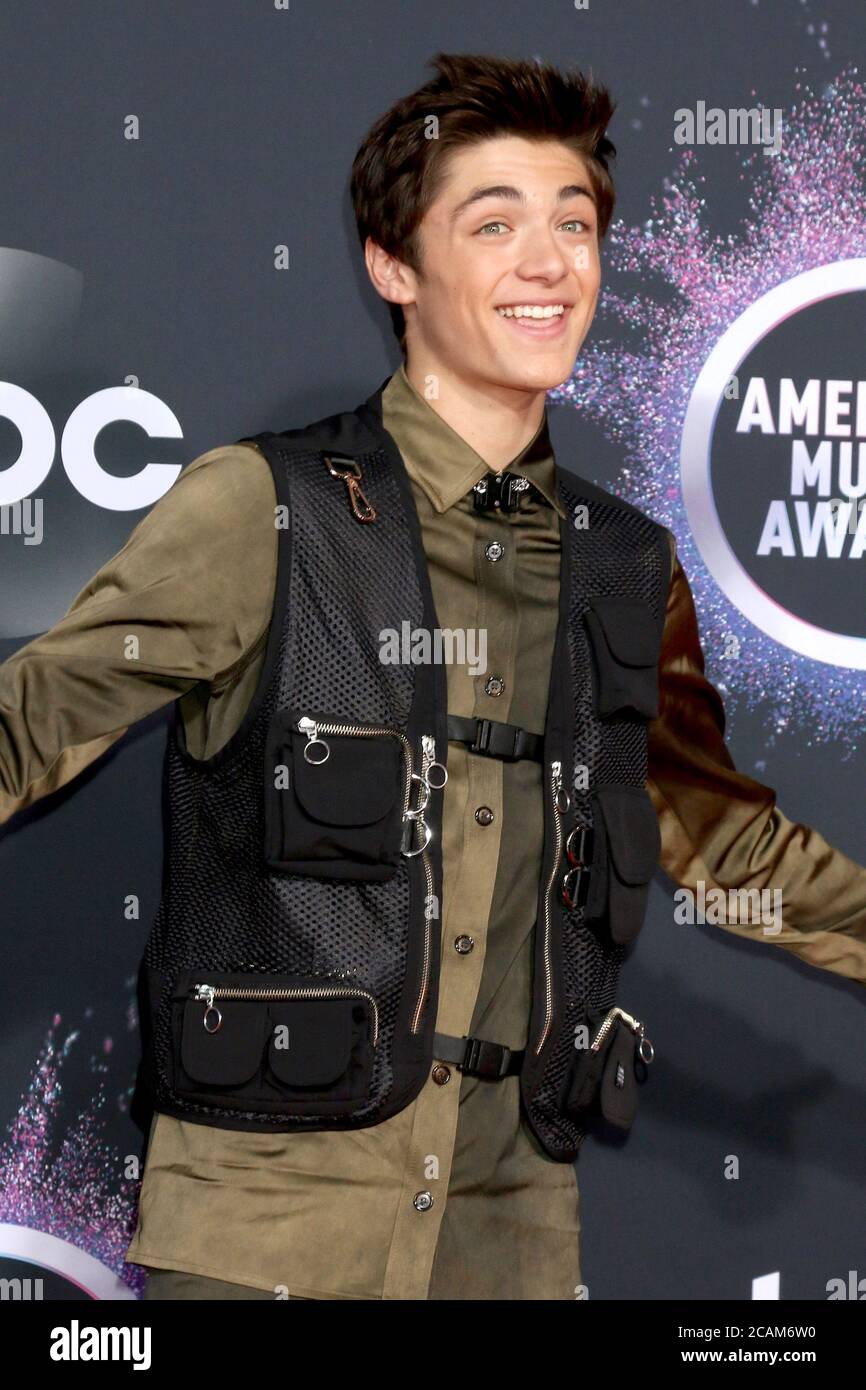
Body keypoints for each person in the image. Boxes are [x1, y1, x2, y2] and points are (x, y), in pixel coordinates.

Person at [1, 52, 864, 1303]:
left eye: (573, 224)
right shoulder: (264, 509)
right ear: (390, 266)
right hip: (263, 1232)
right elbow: (33, 726)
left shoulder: (627, 566)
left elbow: (723, 851)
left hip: (509, 1237)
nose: (548, 261)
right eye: (493, 222)